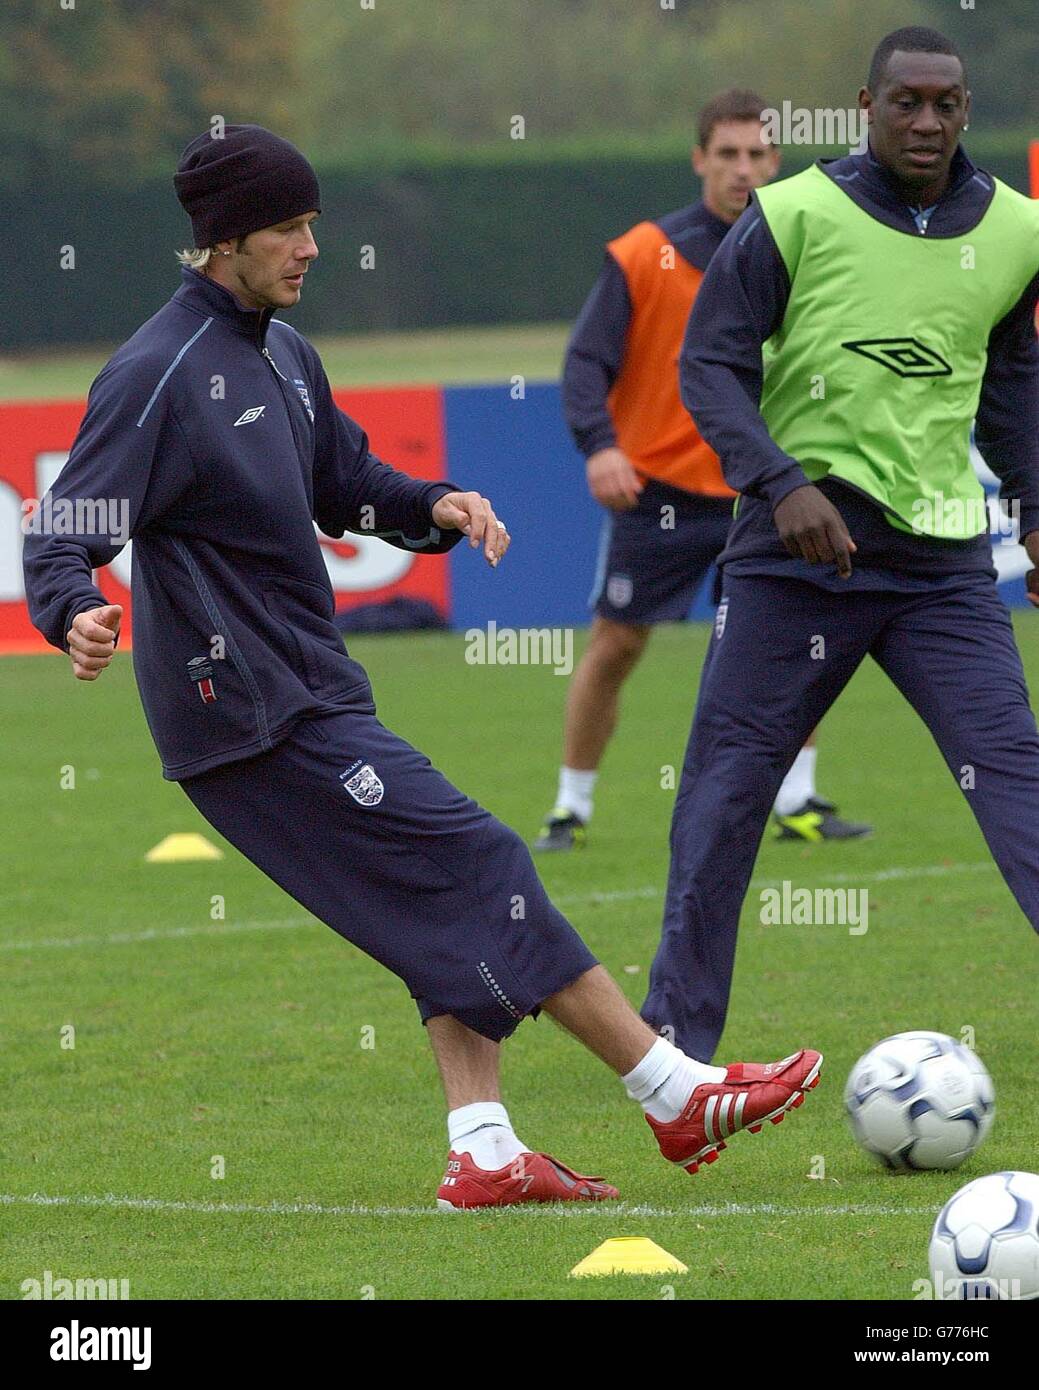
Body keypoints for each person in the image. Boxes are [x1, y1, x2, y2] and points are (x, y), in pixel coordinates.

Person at [22, 125, 822, 1207]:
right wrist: (73, 607)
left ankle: (485, 1150)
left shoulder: (283, 351)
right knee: (479, 860)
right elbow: (66, 527)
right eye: (289, 228)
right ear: (224, 240)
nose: (312, 246)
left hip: (308, 688)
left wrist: (433, 506)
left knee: (429, 907)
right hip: (245, 716)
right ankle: (669, 1088)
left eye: (314, 223)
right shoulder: (156, 371)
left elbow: (343, 483)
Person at [643, 27, 1039, 1062]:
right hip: (794, 558)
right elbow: (708, 368)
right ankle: (674, 1050)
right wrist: (778, 482)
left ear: (965, 111)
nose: (925, 122)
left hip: (941, 570)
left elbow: (1009, 391)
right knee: (725, 792)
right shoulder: (792, 215)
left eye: (944, 105)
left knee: (1014, 778)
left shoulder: (1013, 231)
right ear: (865, 104)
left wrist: (1034, 509)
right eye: (904, 102)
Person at [535, 89, 871, 853]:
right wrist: (600, 445)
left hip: (765, 491)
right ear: (699, 159)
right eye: (727, 154)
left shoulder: (803, 245)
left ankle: (798, 799)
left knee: (796, 642)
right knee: (616, 646)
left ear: (776, 161)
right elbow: (586, 362)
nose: (743, 170)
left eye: (757, 155)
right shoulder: (643, 253)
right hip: (657, 492)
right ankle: (569, 807)